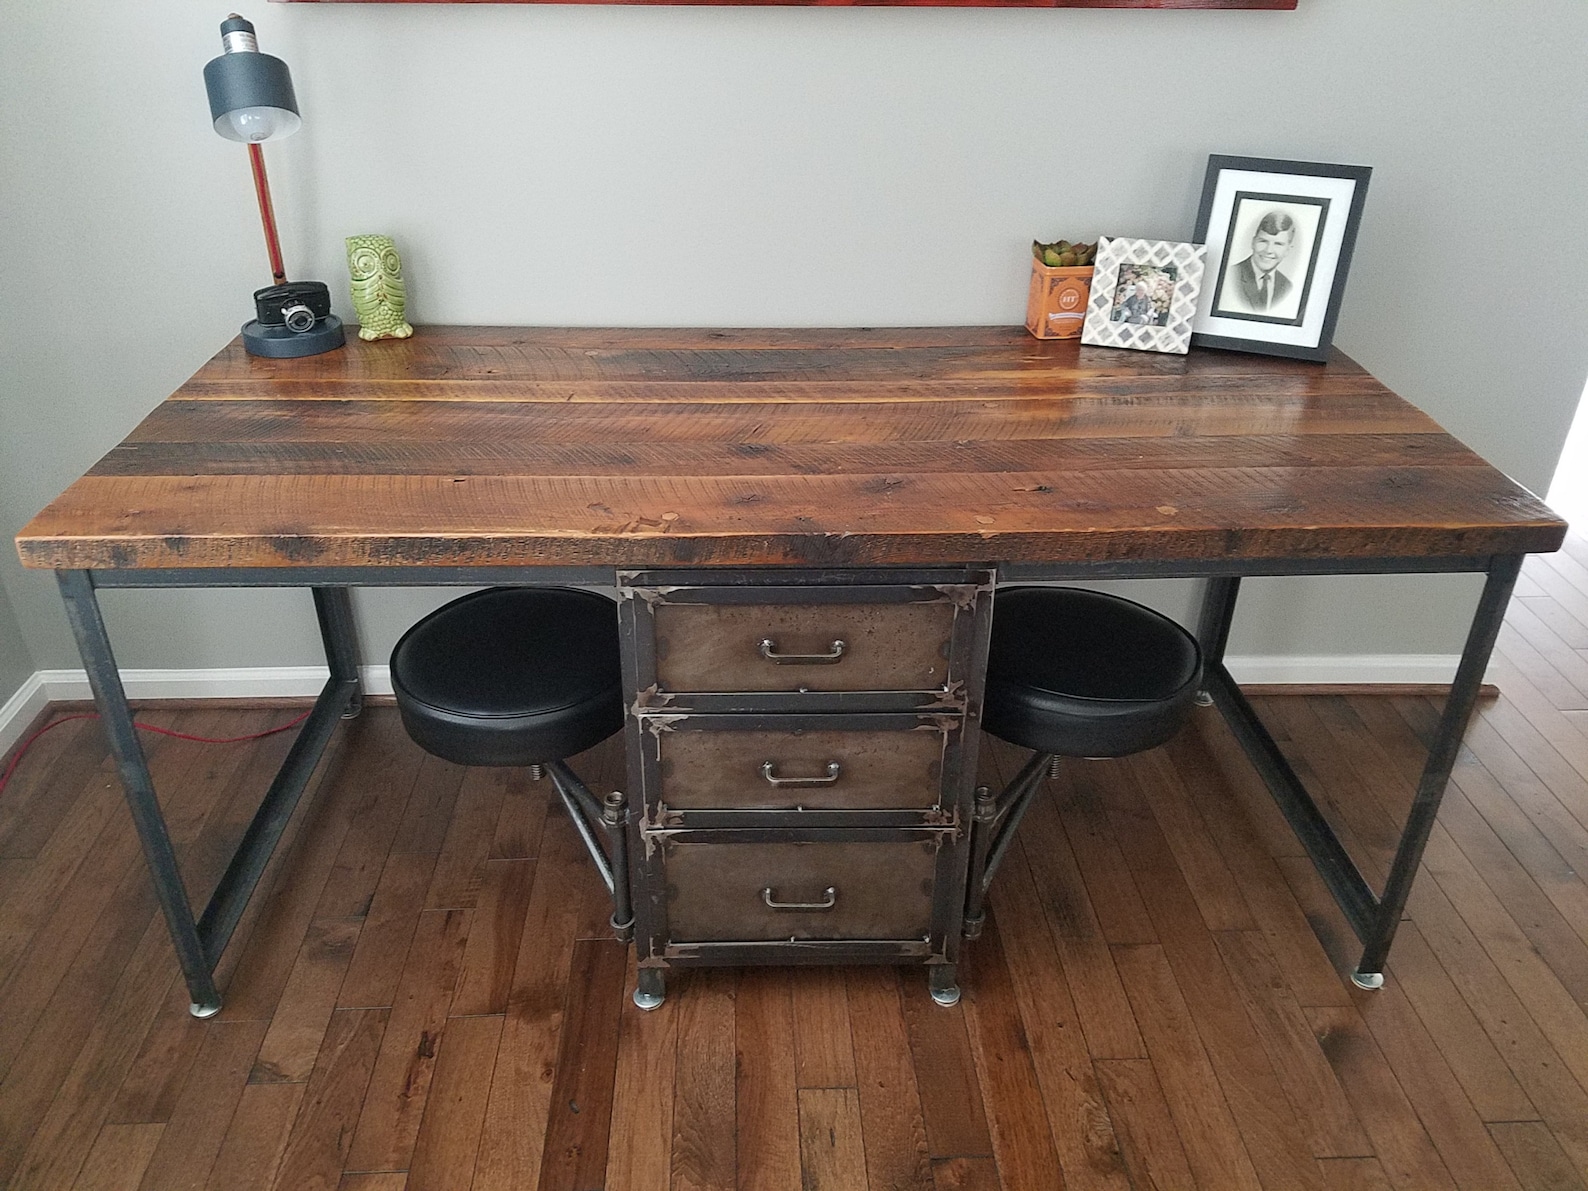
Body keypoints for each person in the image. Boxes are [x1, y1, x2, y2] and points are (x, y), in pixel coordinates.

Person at [1224, 210, 1296, 314]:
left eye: (1278, 244)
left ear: (1288, 250)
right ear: (1253, 242)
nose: (1268, 250)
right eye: (1263, 241)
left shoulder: (1287, 286)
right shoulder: (1230, 275)